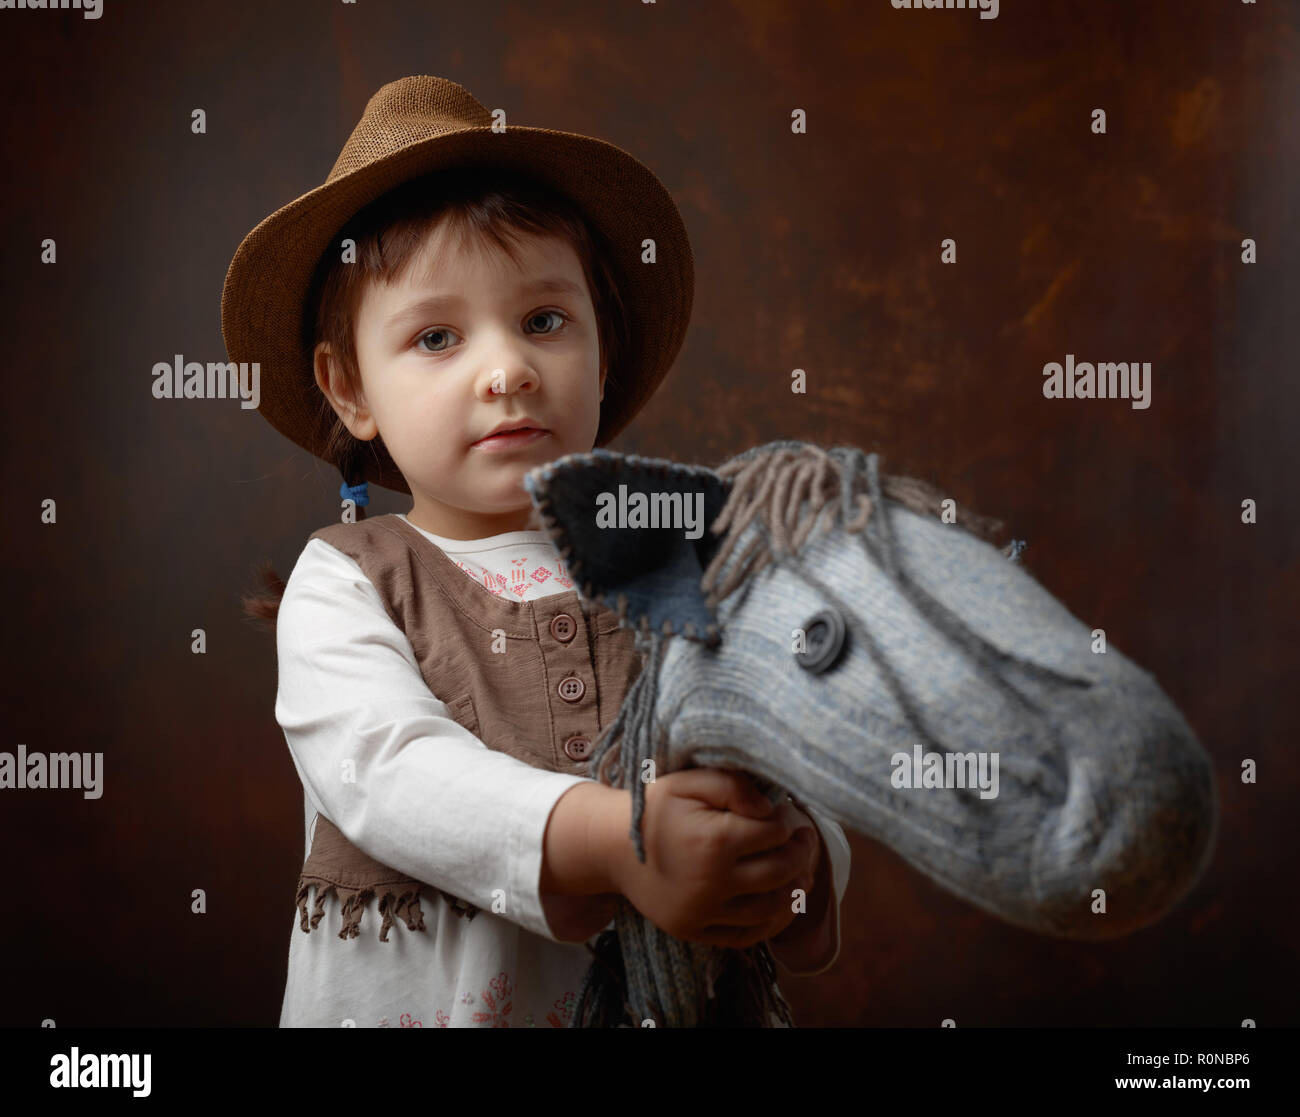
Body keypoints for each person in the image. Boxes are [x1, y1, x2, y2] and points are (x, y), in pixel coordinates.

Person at [223, 75, 851, 1028]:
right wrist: (617, 842)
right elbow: (388, 770)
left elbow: (786, 746)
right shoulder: (347, 581)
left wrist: (794, 859)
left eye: (545, 322)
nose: (508, 369)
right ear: (350, 387)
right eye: (437, 336)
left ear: (603, 353)